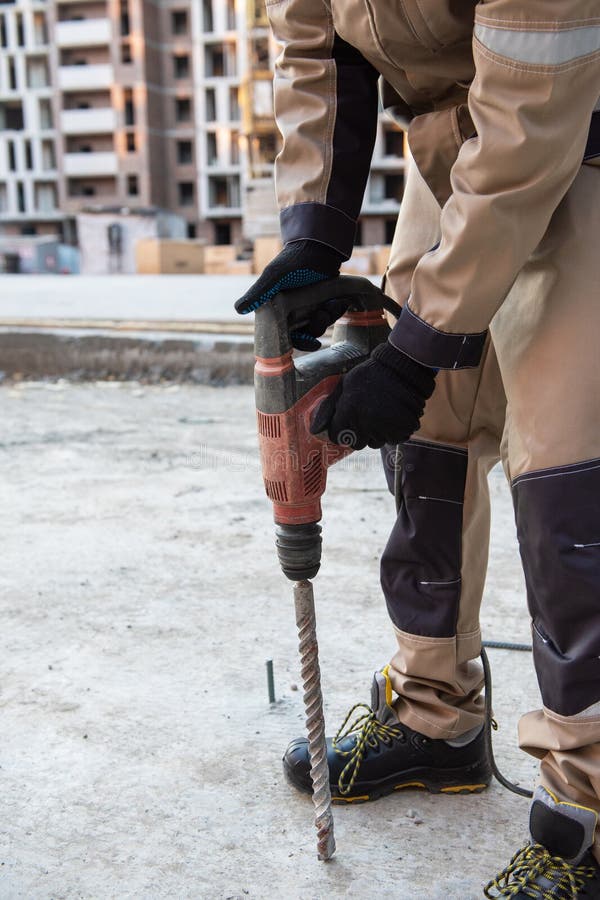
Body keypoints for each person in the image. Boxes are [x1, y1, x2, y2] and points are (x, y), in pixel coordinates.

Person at [235, 1, 600, 895]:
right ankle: (437, 716)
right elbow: (313, 50)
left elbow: (532, 116)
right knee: (428, 430)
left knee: (567, 470)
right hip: (449, 145)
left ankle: (590, 804)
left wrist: (416, 347)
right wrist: (314, 231)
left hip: (571, 134)